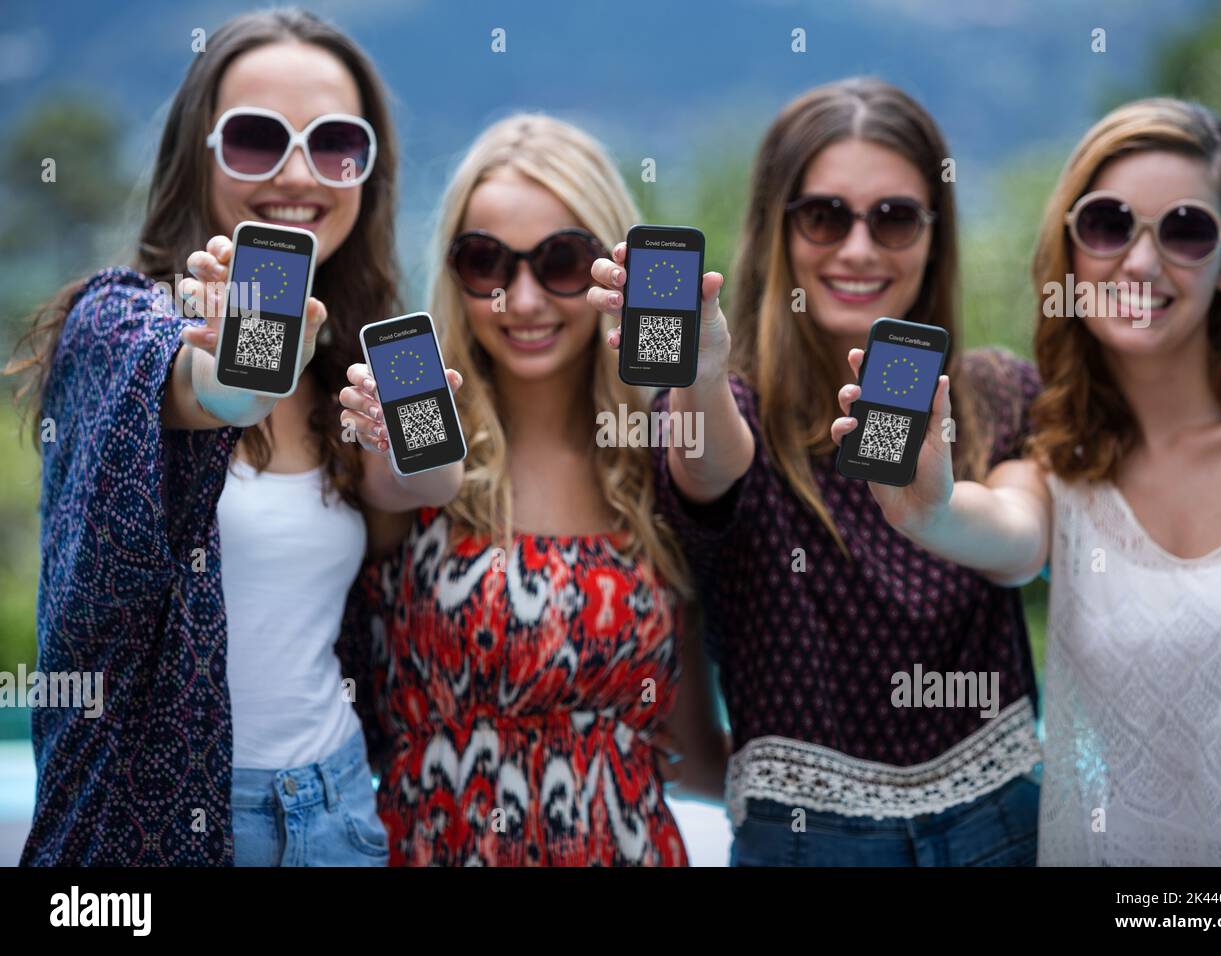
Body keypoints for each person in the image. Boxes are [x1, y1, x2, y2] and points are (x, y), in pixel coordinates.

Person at [7, 8, 460, 866]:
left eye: (335, 144)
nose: (298, 172)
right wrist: (236, 367)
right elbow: (216, 389)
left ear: (369, 169)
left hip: (338, 814)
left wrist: (418, 449)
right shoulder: (116, 323)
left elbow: (425, 487)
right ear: (197, 155)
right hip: (158, 836)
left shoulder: (367, 355)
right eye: (256, 139)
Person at [590, 77, 1046, 866]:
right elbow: (709, 466)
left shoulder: (997, 390)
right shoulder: (725, 407)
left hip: (999, 830)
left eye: (895, 217)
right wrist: (697, 373)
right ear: (778, 226)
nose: (859, 248)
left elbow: (1023, 543)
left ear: (936, 234)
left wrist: (934, 513)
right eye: (825, 215)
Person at [831, 98, 1221, 864]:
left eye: (1183, 231)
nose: (1142, 264)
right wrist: (930, 509)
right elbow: (1007, 537)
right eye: (1110, 224)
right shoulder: (1057, 471)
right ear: (1073, 249)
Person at [337, 114, 729, 866]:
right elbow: (402, 482)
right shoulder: (416, 430)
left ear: (613, 270)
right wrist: (391, 440)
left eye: (561, 262)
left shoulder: (655, 459)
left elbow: (692, 750)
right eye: (485, 261)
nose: (520, 300)